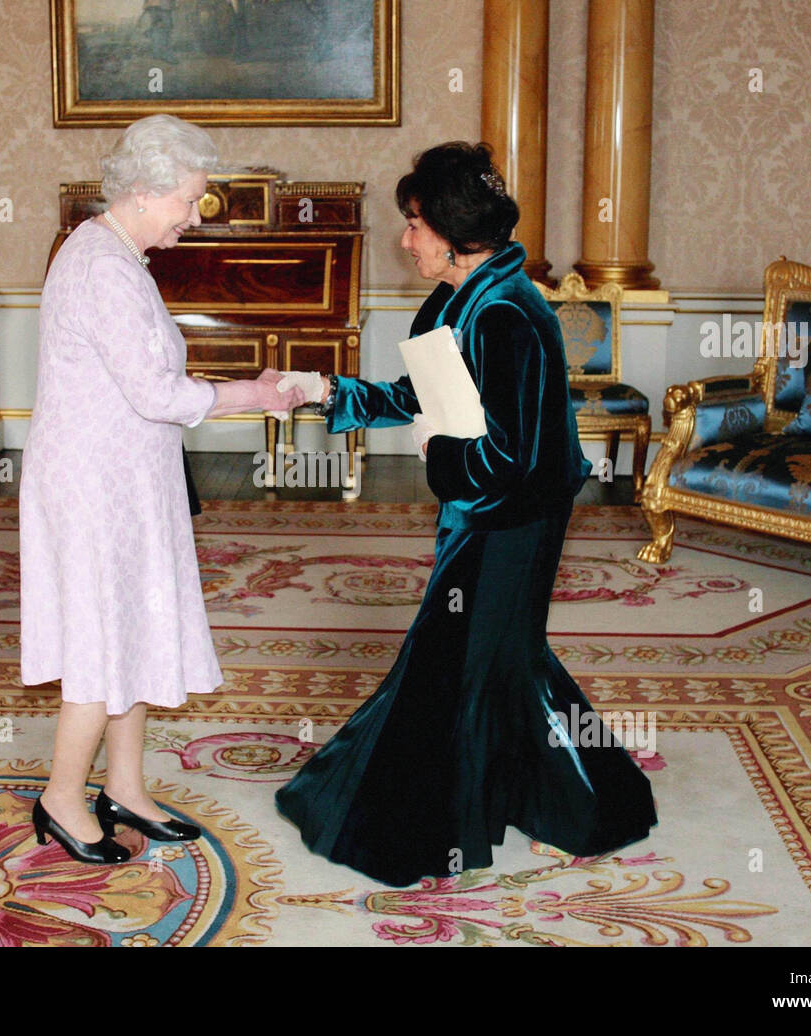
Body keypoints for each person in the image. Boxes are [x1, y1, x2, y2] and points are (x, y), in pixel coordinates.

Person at [273, 142, 658, 887]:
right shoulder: (462, 296)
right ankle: (560, 794)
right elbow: (418, 396)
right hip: (484, 514)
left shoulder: (507, 314)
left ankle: (454, 823)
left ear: (452, 232)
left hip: (511, 521)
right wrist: (326, 391)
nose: (406, 239)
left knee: (458, 666)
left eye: (414, 224)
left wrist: (438, 454)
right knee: (493, 661)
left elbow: (509, 459)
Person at [21, 114, 305, 863]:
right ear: (145, 192)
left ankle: (125, 789)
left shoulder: (115, 254)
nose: (192, 216)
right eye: (188, 200)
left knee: (134, 628)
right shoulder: (102, 267)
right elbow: (158, 393)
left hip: (126, 479)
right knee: (97, 638)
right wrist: (254, 393)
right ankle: (59, 797)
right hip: (92, 486)